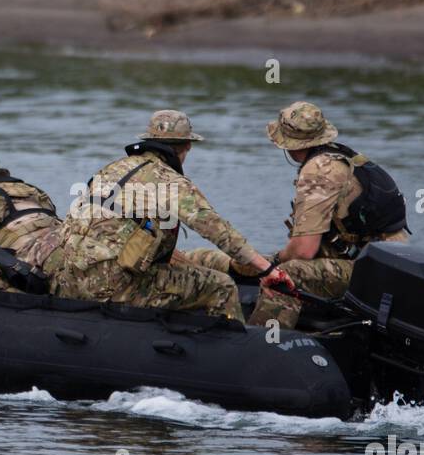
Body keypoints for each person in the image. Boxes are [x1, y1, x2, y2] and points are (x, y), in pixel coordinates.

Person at [48, 110, 293, 321]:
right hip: (112, 288)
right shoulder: (170, 181)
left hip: (66, 281)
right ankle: (233, 359)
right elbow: (217, 230)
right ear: (187, 146)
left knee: (190, 263)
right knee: (222, 285)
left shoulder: (112, 168)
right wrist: (266, 269)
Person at [241, 101, 409, 329]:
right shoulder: (343, 156)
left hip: (368, 272)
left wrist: (274, 263)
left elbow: (303, 249)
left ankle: (266, 341)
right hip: (387, 264)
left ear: (289, 144)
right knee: (267, 264)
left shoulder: (318, 171)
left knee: (285, 274)